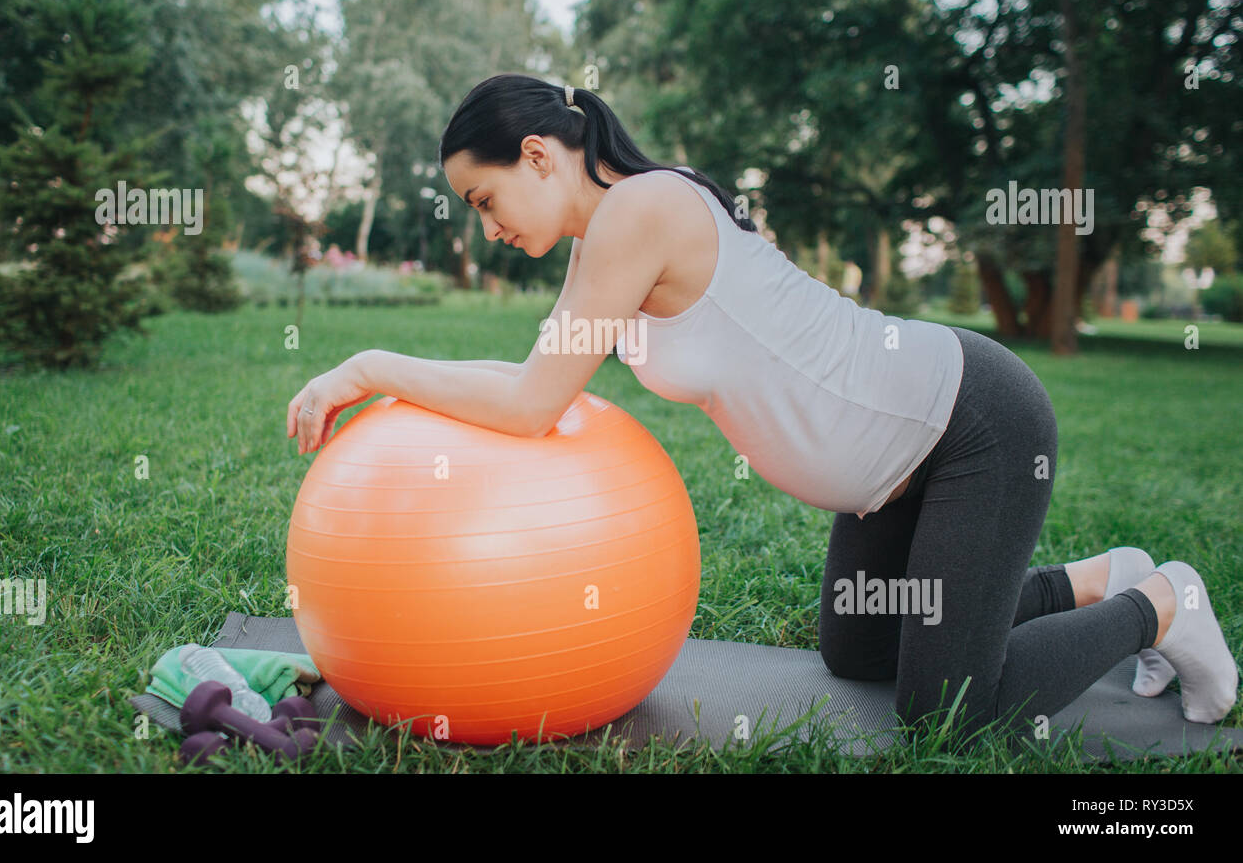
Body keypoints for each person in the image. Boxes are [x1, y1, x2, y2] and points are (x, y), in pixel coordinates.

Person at [286, 73, 1238, 748]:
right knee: (859, 647)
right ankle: (1102, 577)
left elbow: (531, 407)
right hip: (883, 474)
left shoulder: (640, 213)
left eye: (484, 199)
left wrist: (368, 364)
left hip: (968, 425)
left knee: (946, 711)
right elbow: (532, 379)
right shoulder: (601, 245)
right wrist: (390, 373)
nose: (487, 228)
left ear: (538, 155)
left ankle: (1161, 605)